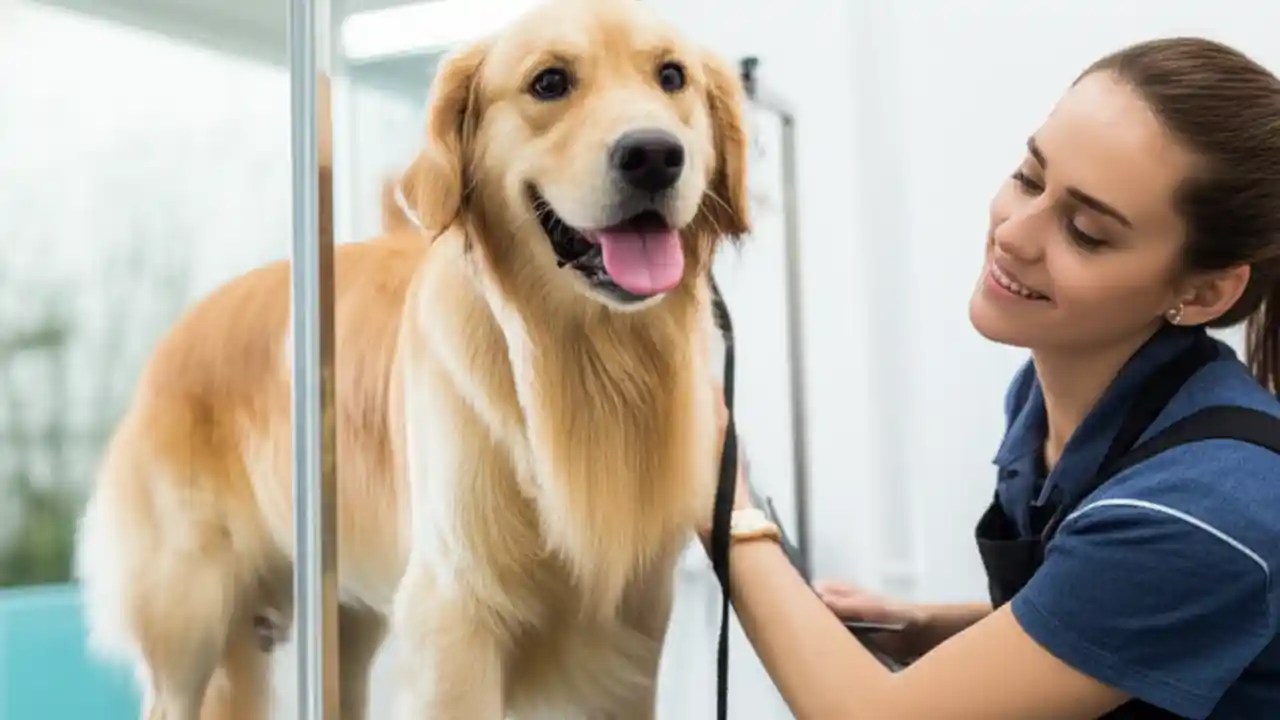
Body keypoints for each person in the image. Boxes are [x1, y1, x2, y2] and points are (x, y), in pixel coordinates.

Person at [703, 36, 1280, 719]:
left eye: (1087, 231)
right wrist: (923, 627)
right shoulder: (1050, 402)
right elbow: (1096, 615)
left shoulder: (1206, 509)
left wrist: (718, 494)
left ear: (1205, 294)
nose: (1014, 234)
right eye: (1030, 178)